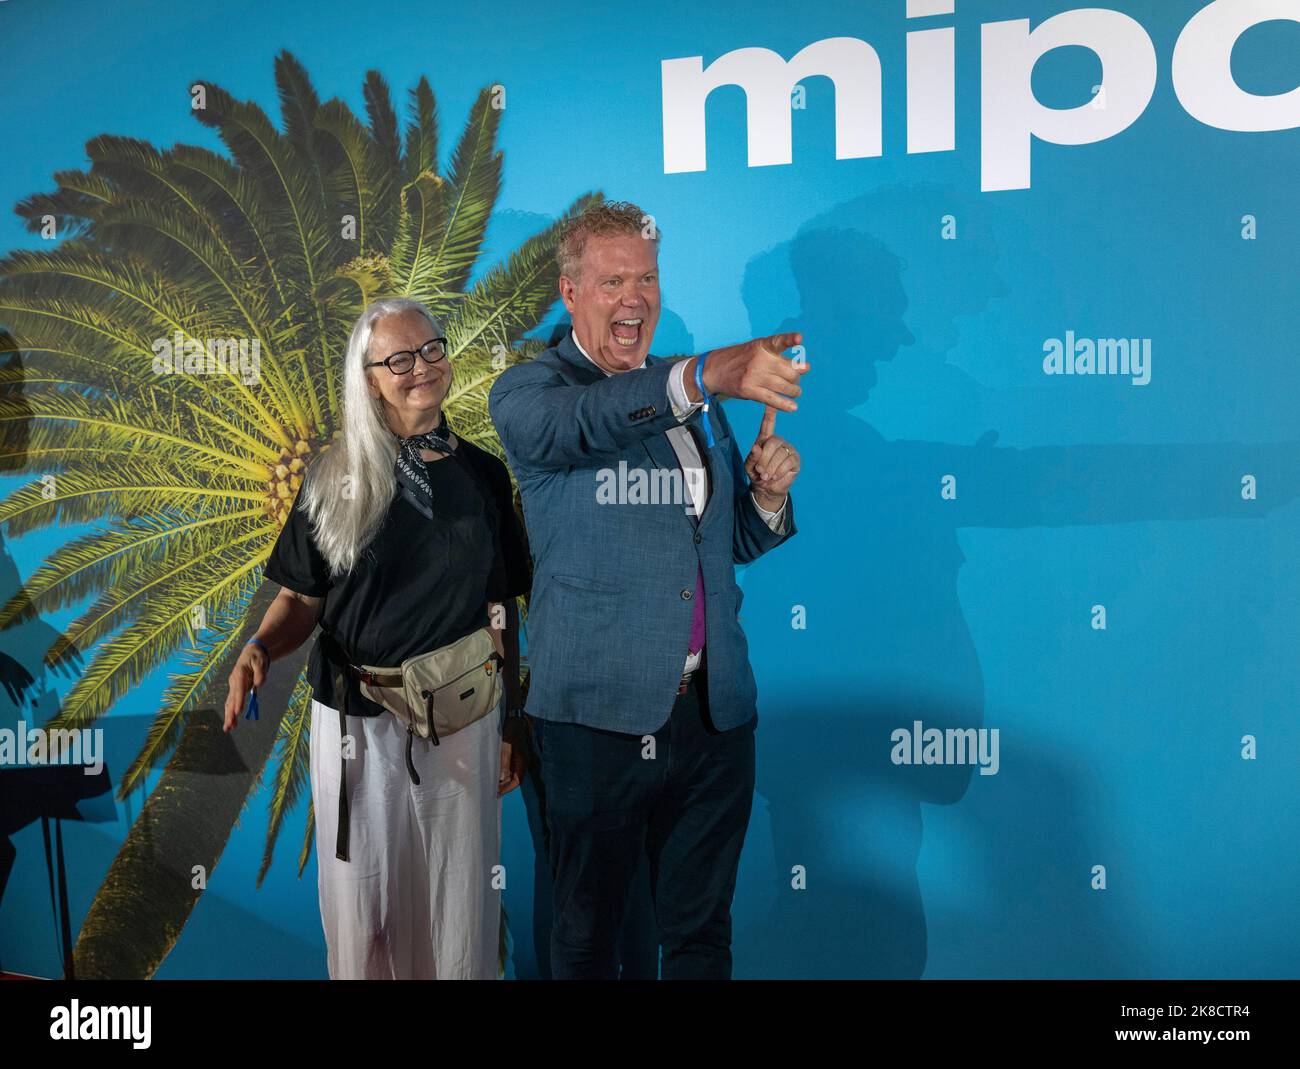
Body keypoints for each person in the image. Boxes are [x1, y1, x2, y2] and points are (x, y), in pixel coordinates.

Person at [488, 201, 806, 979]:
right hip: (595, 724)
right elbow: (593, 421)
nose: (635, 298)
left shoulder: (694, 406)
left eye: (648, 279)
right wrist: (708, 373)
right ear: (570, 292)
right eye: (613, 280)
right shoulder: (532, 395)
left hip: (713, 716)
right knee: (589, 942)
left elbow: (719, 549)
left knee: (699, 937)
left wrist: (765, 496)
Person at [223, 298, 531, 979]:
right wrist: (261, 648)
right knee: (363, 912)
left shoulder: (483, 474)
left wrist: (514, 723)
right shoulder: (335, 478)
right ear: (367, 378)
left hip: (463, 715)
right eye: (398, 358)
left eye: (431, 349)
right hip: (355, 722)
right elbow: (300, 598)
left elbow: (500, 607)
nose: (421, 367)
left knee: (462, 913)